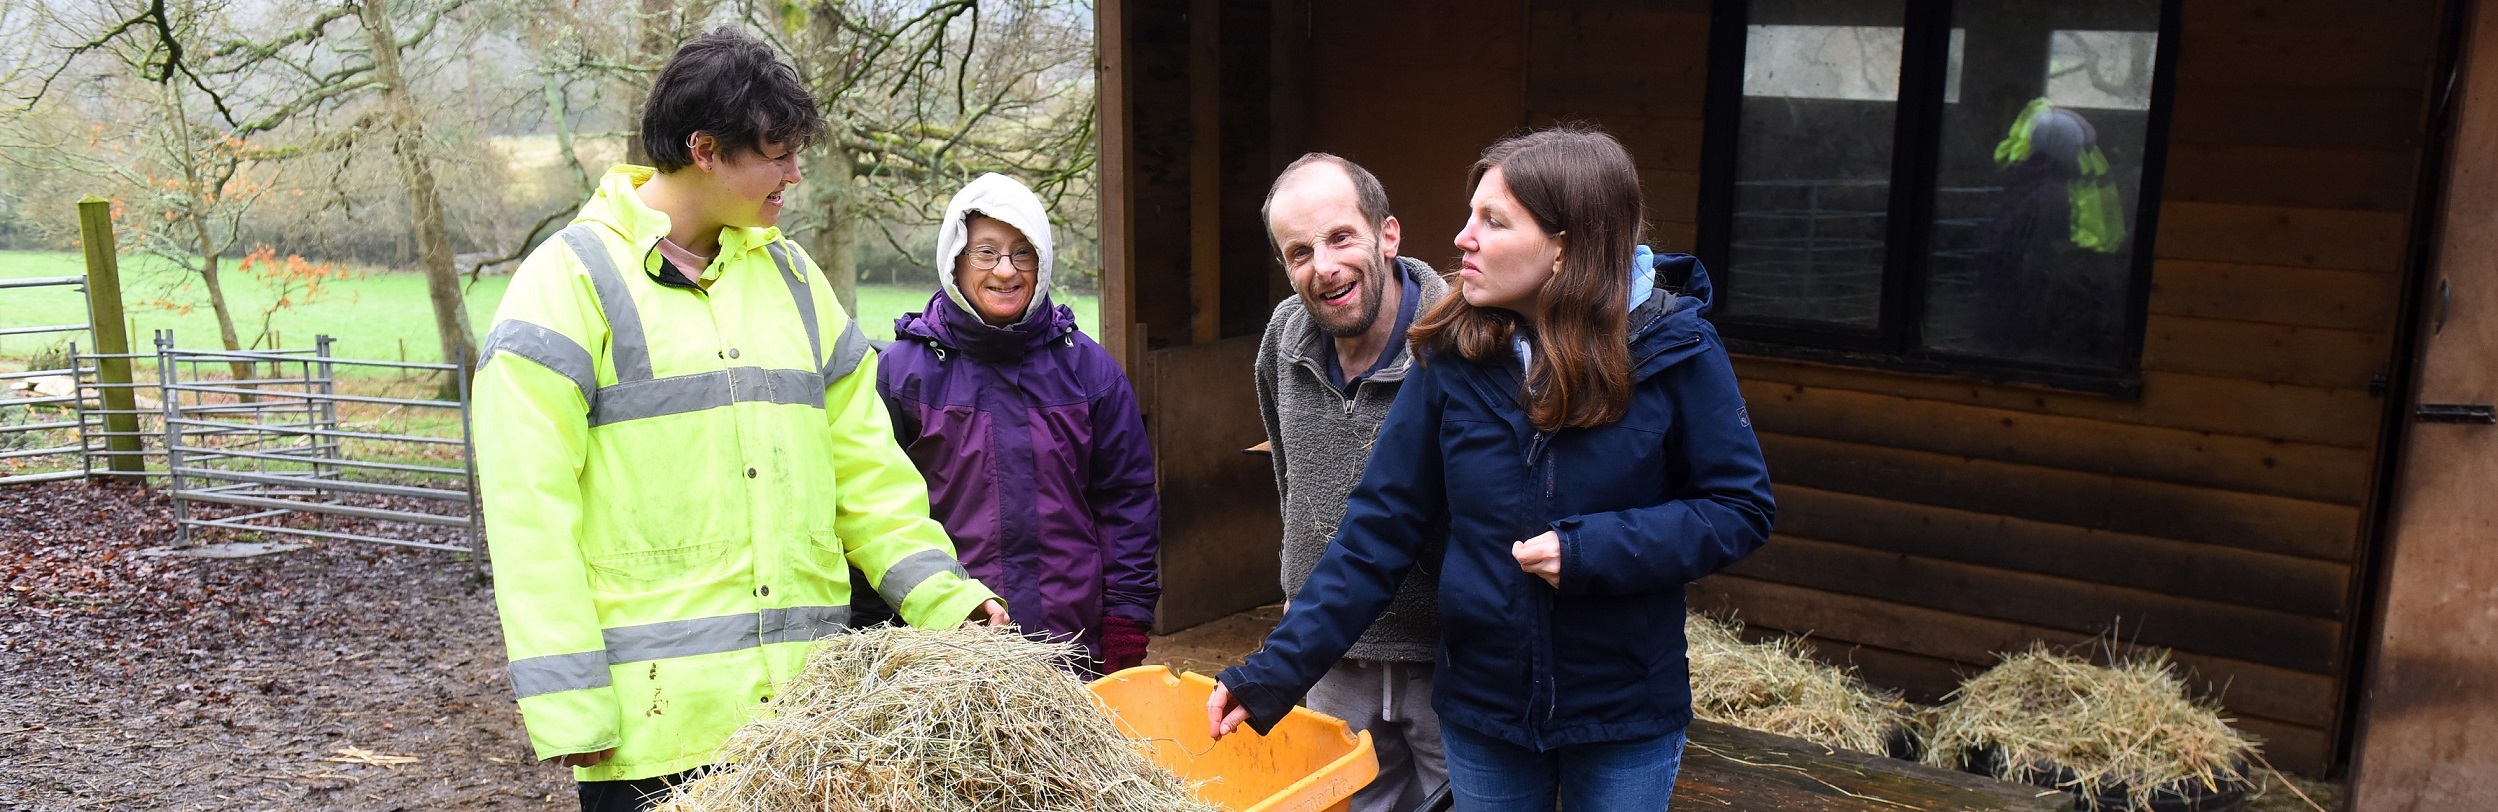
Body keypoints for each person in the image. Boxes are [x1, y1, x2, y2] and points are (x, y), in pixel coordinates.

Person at [471, 28, 1007, 812]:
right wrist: (568, 703)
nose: (795, 174)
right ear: (706, 149)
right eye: (777, 153)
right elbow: (528, 516)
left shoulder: (794, 281)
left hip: (809, 729)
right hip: (653, 736)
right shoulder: (564, 286)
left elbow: (869, 473)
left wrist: (946, 600)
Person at [1207, 126, 1776, 812]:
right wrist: (1271, 675)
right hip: (1485, 710)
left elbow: (1739, 508)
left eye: (1492, 220)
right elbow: (1377, 531)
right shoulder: (1452, 355)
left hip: (1624, 708)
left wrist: (1591, 549)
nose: (1461, 237)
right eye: (1471, 214)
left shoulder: (1676, 350)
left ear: (1565, 243)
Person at [867, 172, 1161, 676]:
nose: (1006, 271)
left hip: (1069, 646)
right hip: (944, 649)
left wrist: (1126, 619)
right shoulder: (902, 374)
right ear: (954, 260)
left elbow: (1126, 503)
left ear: (1043, 261)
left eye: (1023, 252)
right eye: (986, 252)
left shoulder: (1090, 373)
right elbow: (871, 505)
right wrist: (873, 627)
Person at [1253, 153, 1449, 812]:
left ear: (1387, 235)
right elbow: (1288, 472)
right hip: (1331, 655)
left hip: (1445, 655)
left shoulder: (1460, 341)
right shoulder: (1284, 338)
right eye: (1299, 252)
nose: (1323, 266)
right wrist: (1295, 583)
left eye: (1340, 237)